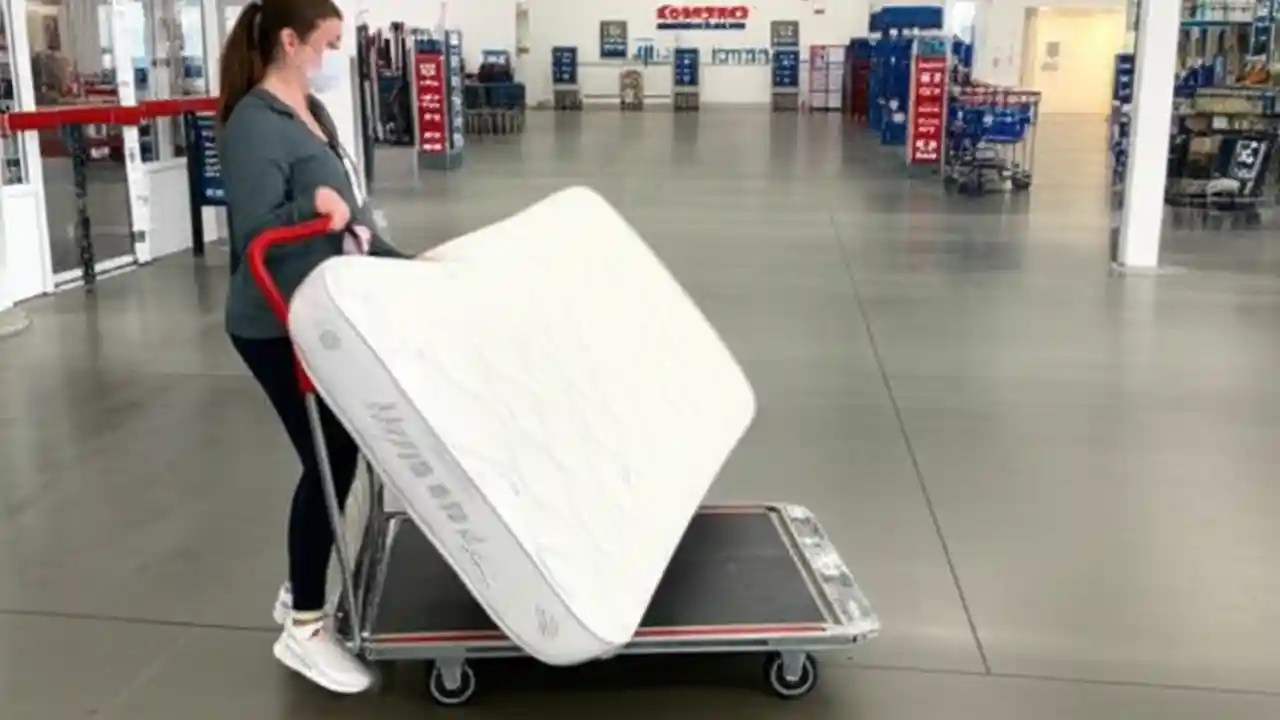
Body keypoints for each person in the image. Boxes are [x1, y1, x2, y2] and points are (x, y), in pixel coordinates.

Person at [218, 0, 405, 694]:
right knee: (330, 461)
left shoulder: (310, 113)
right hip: (274, 322)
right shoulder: (252, 126)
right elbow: (257, 234)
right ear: (289, 41)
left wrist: (401, 261)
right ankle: (304, 625)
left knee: (340, 452)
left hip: (324, 309)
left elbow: (349, 220)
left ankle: (299, 588)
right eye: (323, 46)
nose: (329, 61)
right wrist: (312, 212)